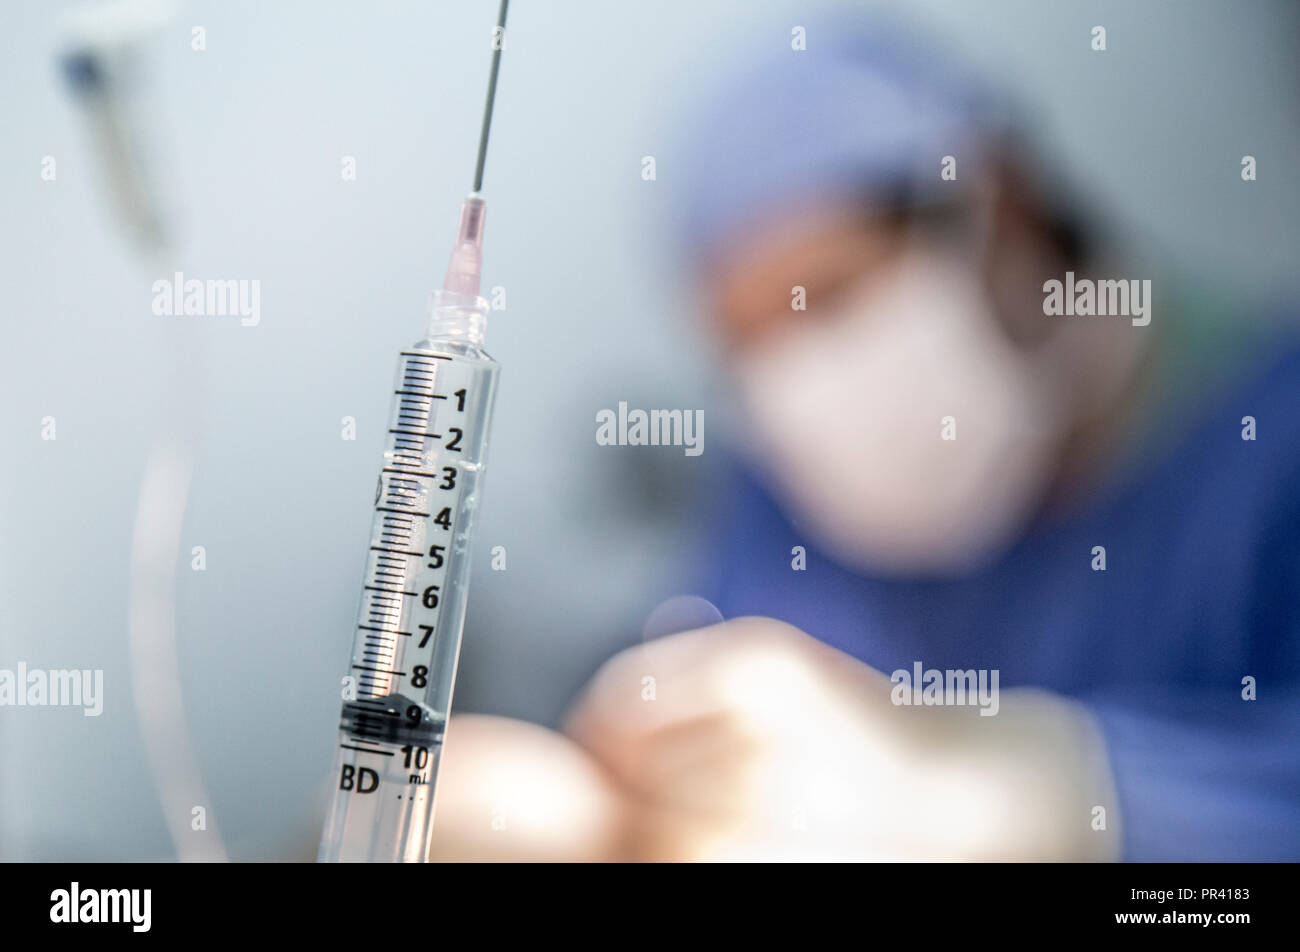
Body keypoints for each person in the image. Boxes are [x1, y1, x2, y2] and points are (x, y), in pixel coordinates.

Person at [429, 21, 1300, 862]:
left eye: (830, 296)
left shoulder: (1266, 445)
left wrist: (1065, 799)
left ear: (1000, 207)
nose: (805, 390)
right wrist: (583, 810)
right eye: (752, 347)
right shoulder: (784, 504)